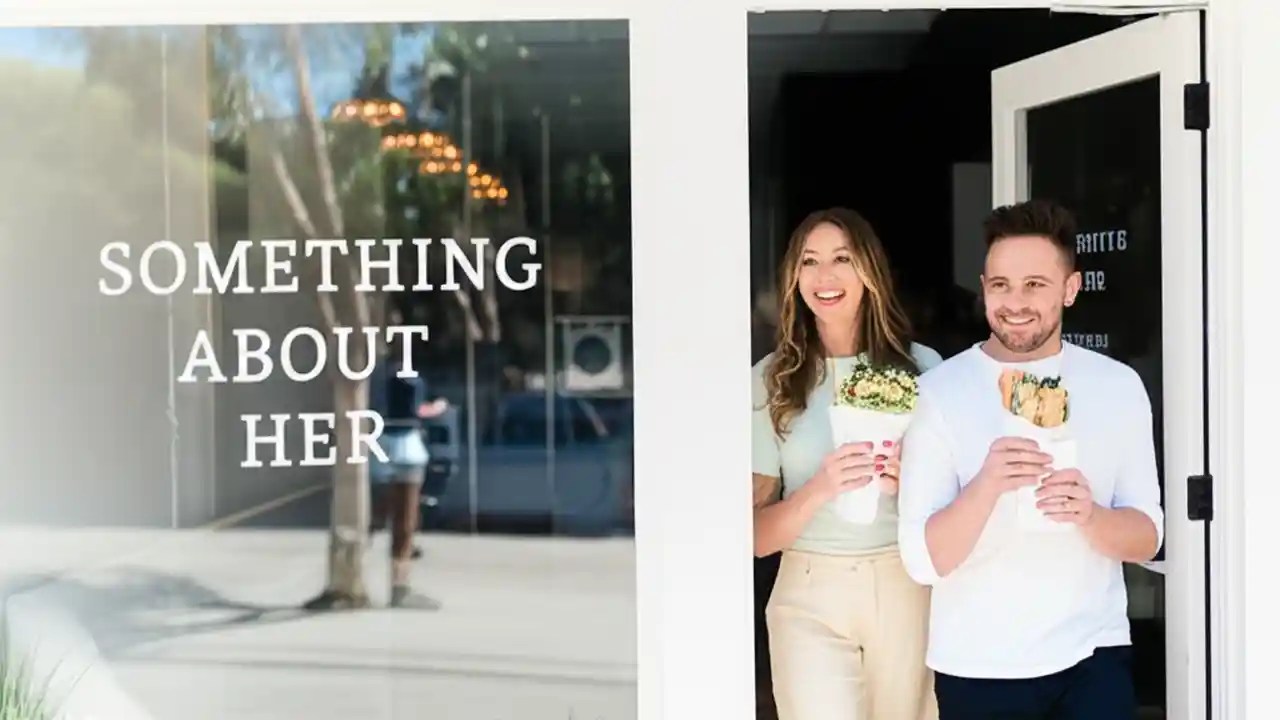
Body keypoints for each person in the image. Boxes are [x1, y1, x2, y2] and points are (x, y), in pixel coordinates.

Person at [897, 199, 1163, 718]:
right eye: (1001, 285)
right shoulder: (938, 393)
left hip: (1093, 654)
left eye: (1035, 284)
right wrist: (987, 483)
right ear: (983, 288)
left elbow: (1147, 535)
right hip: (979, 665)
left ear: (1070, 288)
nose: (1015, 302)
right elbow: (922, 561)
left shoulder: (1117, 387)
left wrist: (1091, 514)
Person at [752, 207, 943, 720]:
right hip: (808, 591)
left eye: (841, 258)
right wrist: (820, 487)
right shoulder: (771, 381)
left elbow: (954, 509)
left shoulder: (925, 370)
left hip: (903, 584)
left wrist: (913, 483)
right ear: (794, 277)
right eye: (809, 261)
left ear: (869, 271)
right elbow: (754, 536)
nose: (824, 276)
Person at [369, 309, 449, 610]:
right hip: (405, 444)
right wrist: (437, 407)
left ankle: (359, 574)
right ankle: (399, 585)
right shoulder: (407, 376)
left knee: (380, 515)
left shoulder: (376, 372)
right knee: (404, 521)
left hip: (381, 443)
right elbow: (417, 410)